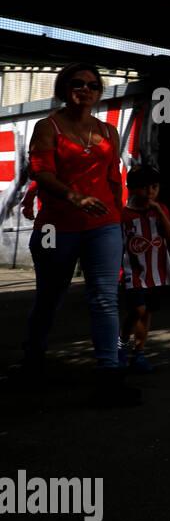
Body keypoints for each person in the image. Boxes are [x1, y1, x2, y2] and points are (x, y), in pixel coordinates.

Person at [20, 62, 138, 406]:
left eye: (92, 85)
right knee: (49, 299)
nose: (85, 89)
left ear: (99, 92)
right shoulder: (47, 127)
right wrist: (75, 197)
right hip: (56, 228)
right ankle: (33, 359)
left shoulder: (108, 132)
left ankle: (109, 376)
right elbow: (42, 175)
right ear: (64, 89)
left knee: (104, 298)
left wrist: (119, 217)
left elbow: (114, 179)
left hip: (103, 226)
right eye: (77, 83)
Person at [118, 164, 170, 373]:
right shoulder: (124, 214)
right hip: (132, 272)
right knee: (137, 309)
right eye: (145, 187)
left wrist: (160, 212)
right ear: (132, 189)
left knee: (147, 313)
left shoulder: (160, 211)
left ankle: (139, 353)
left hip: (155, 272)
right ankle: (121, 346)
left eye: (154, 187)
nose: (150, 192)